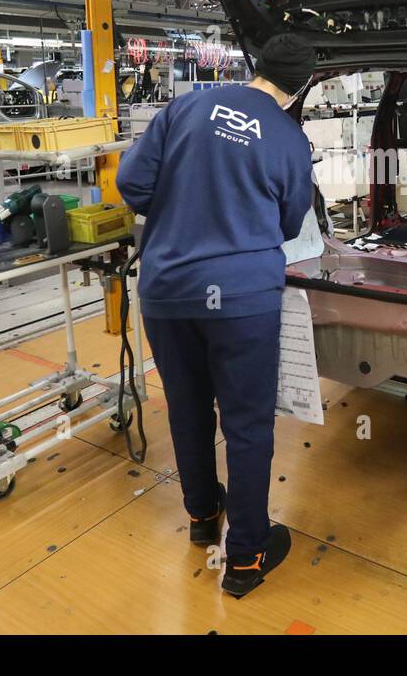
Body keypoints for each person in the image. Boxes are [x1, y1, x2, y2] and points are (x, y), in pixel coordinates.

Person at [116, 33, 315, 597]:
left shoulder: (185, 105)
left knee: (186, 407)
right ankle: (247, 557)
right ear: (298, 87)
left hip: (167, 292)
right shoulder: (290, 140)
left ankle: (203, 518)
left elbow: (131, 185)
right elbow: (289, 222)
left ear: (255, 65)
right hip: (241, 300)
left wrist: (185, 205)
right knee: (247, 424)